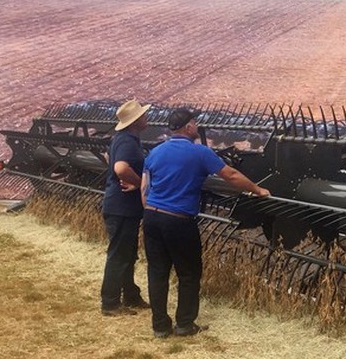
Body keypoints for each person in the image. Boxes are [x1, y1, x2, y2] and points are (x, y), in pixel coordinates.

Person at [141, 108, 270, 338]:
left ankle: (160, 326)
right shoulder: (199, 152)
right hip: (179, 220)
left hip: (152, 216)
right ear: (189, 127)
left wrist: (151, 212)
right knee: (188, 273)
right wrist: (257, 189)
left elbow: (145, 189)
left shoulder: (155, 152)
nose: (196, 126)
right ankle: (185, 325)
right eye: (195, 123)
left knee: (157, 272)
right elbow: (230, 175)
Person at [100, 99, 152, 316]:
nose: (146, 117)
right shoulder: (128, 141)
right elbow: (120, 168)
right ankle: (110, 303)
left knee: (127, 254)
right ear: (136, 120)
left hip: (121, 206)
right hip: (121, 206)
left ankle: (130, 295)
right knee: (120, 254)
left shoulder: (124, 139)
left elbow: (110, 161)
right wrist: (140, 182)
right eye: (143, 115)